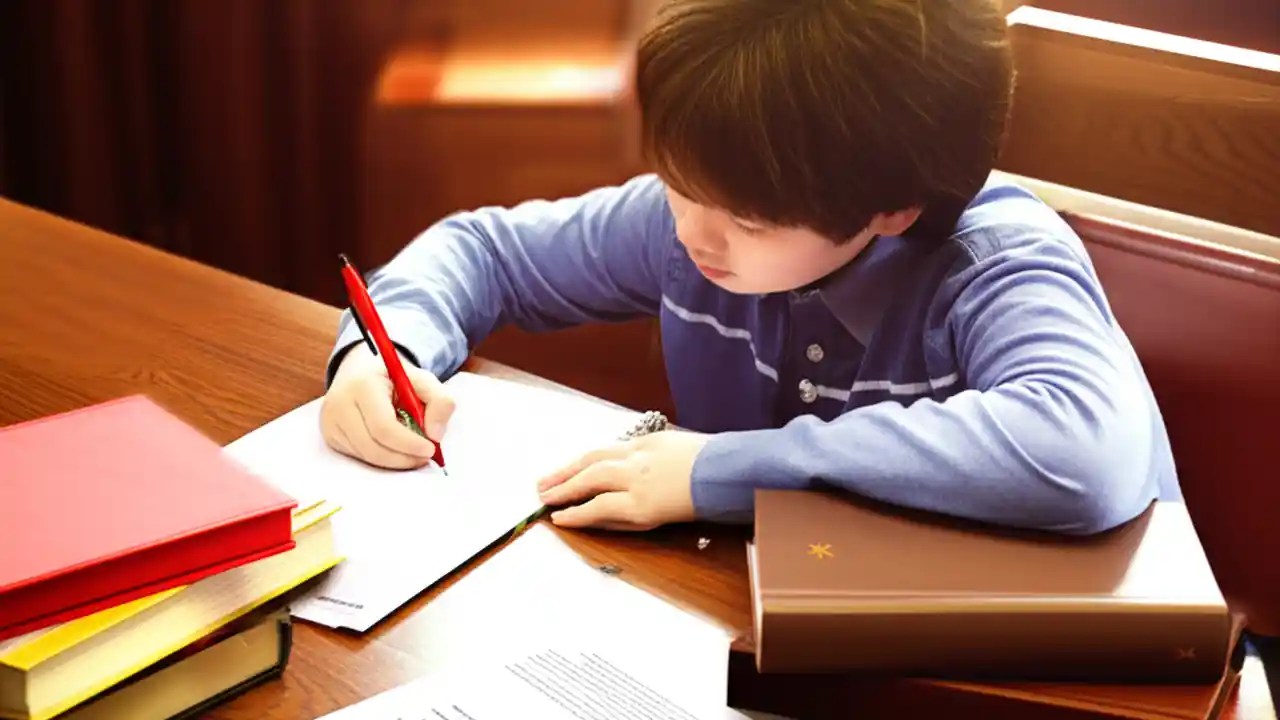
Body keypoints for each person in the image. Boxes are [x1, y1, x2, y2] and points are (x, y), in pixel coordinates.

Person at [320, 0, 1177, 535]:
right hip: (768, 628)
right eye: (677, 184)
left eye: (750, 220)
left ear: (893, 210)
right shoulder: (694, 217)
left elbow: (1082, 456)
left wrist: (715, 471)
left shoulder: (994, 264)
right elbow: (485, 252)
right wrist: (379, 350)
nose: (695, 235)